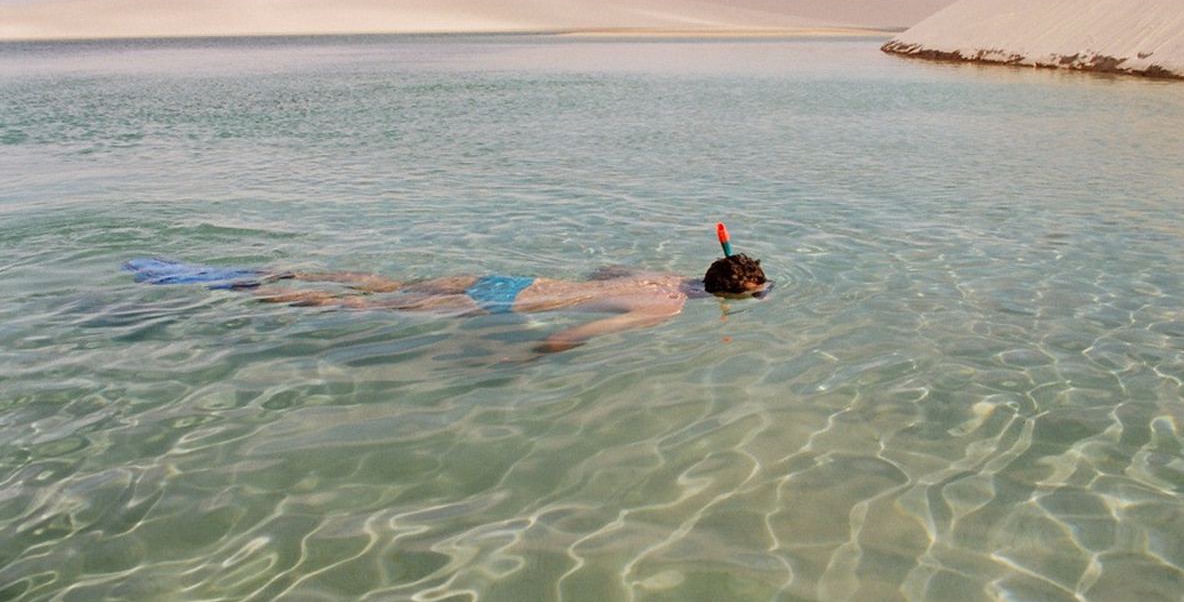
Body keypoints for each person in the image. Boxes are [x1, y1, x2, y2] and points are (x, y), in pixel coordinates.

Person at [125, 253, 770, 353]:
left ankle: (251, 272)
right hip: (504, 310)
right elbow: (572, 337)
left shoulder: (657, 277)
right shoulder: (665, 310)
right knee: (359, 309)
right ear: (729, 294)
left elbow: (604, 272)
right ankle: (226, 289)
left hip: (507, 280)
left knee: (374, 285)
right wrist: (526, 360)